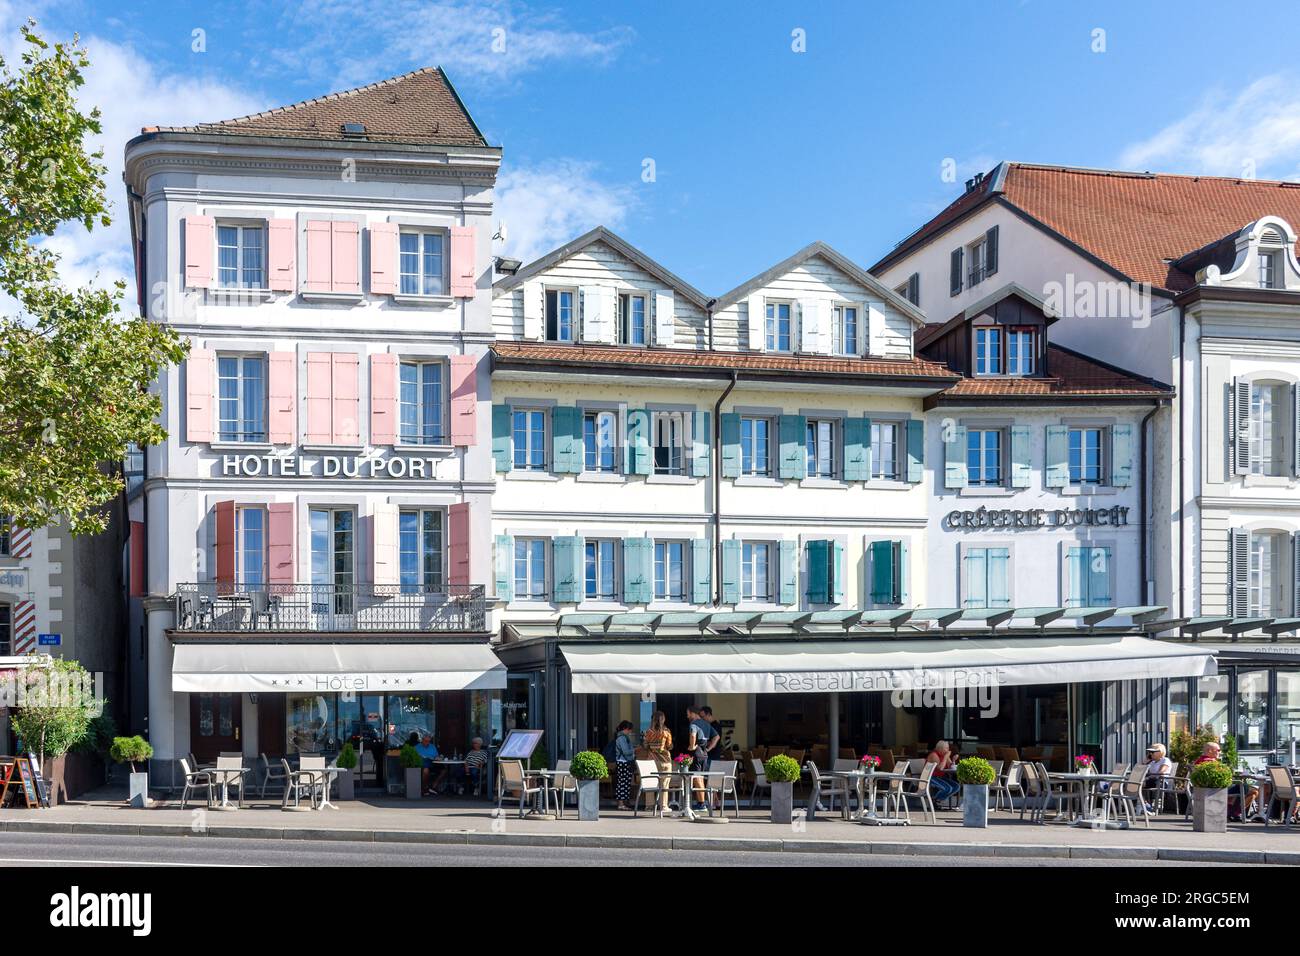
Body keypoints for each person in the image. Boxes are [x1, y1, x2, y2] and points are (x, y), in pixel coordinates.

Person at [642, 711, 673, 813]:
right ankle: (663, 806)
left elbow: (645, 746)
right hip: (665, 761)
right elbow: (669, 746)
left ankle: (649, 806)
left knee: (650, 782)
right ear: (663, 720)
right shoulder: (666, 731)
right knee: (664, 783)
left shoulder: (648, 732)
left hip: (651, 760)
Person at [1141, 743, 1173, 813]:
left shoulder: (1165, 760)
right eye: (1149, 752)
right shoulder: (1152, 762)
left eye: (1152, 752)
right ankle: (1145, 804)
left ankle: (1146, 806)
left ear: (1160, 752)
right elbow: (1142, 771)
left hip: (1161, 782)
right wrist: (1145, 762)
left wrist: (1148, 777)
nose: (1150, 754)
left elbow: (1160, 772)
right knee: (1136, 784)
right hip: (1152, 780)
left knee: (1139, 784)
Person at [612, 721, 637, 810]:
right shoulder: (622, 738)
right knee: (623, 783)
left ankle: (623, 803)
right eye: (630, 730)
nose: (630, 732)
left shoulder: (622, 737)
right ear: (626, 729)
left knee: (625, 783)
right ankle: (621, 804)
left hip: (623, 762)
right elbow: (626, 752)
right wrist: (634, 750)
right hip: (623, 762)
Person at [926, 740, 959, 804]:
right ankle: (934, 801)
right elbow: (940, 768)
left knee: (956, 786)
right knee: (947, 788)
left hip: (939, 777)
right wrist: (945, 757)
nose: (948, 750)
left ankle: (938, 800)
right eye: (946, 748)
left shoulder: (944, 755)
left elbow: (950, 767)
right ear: (940, 748)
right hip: (931, 777)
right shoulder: (934, 755)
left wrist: (953, 760)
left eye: (948, 748)